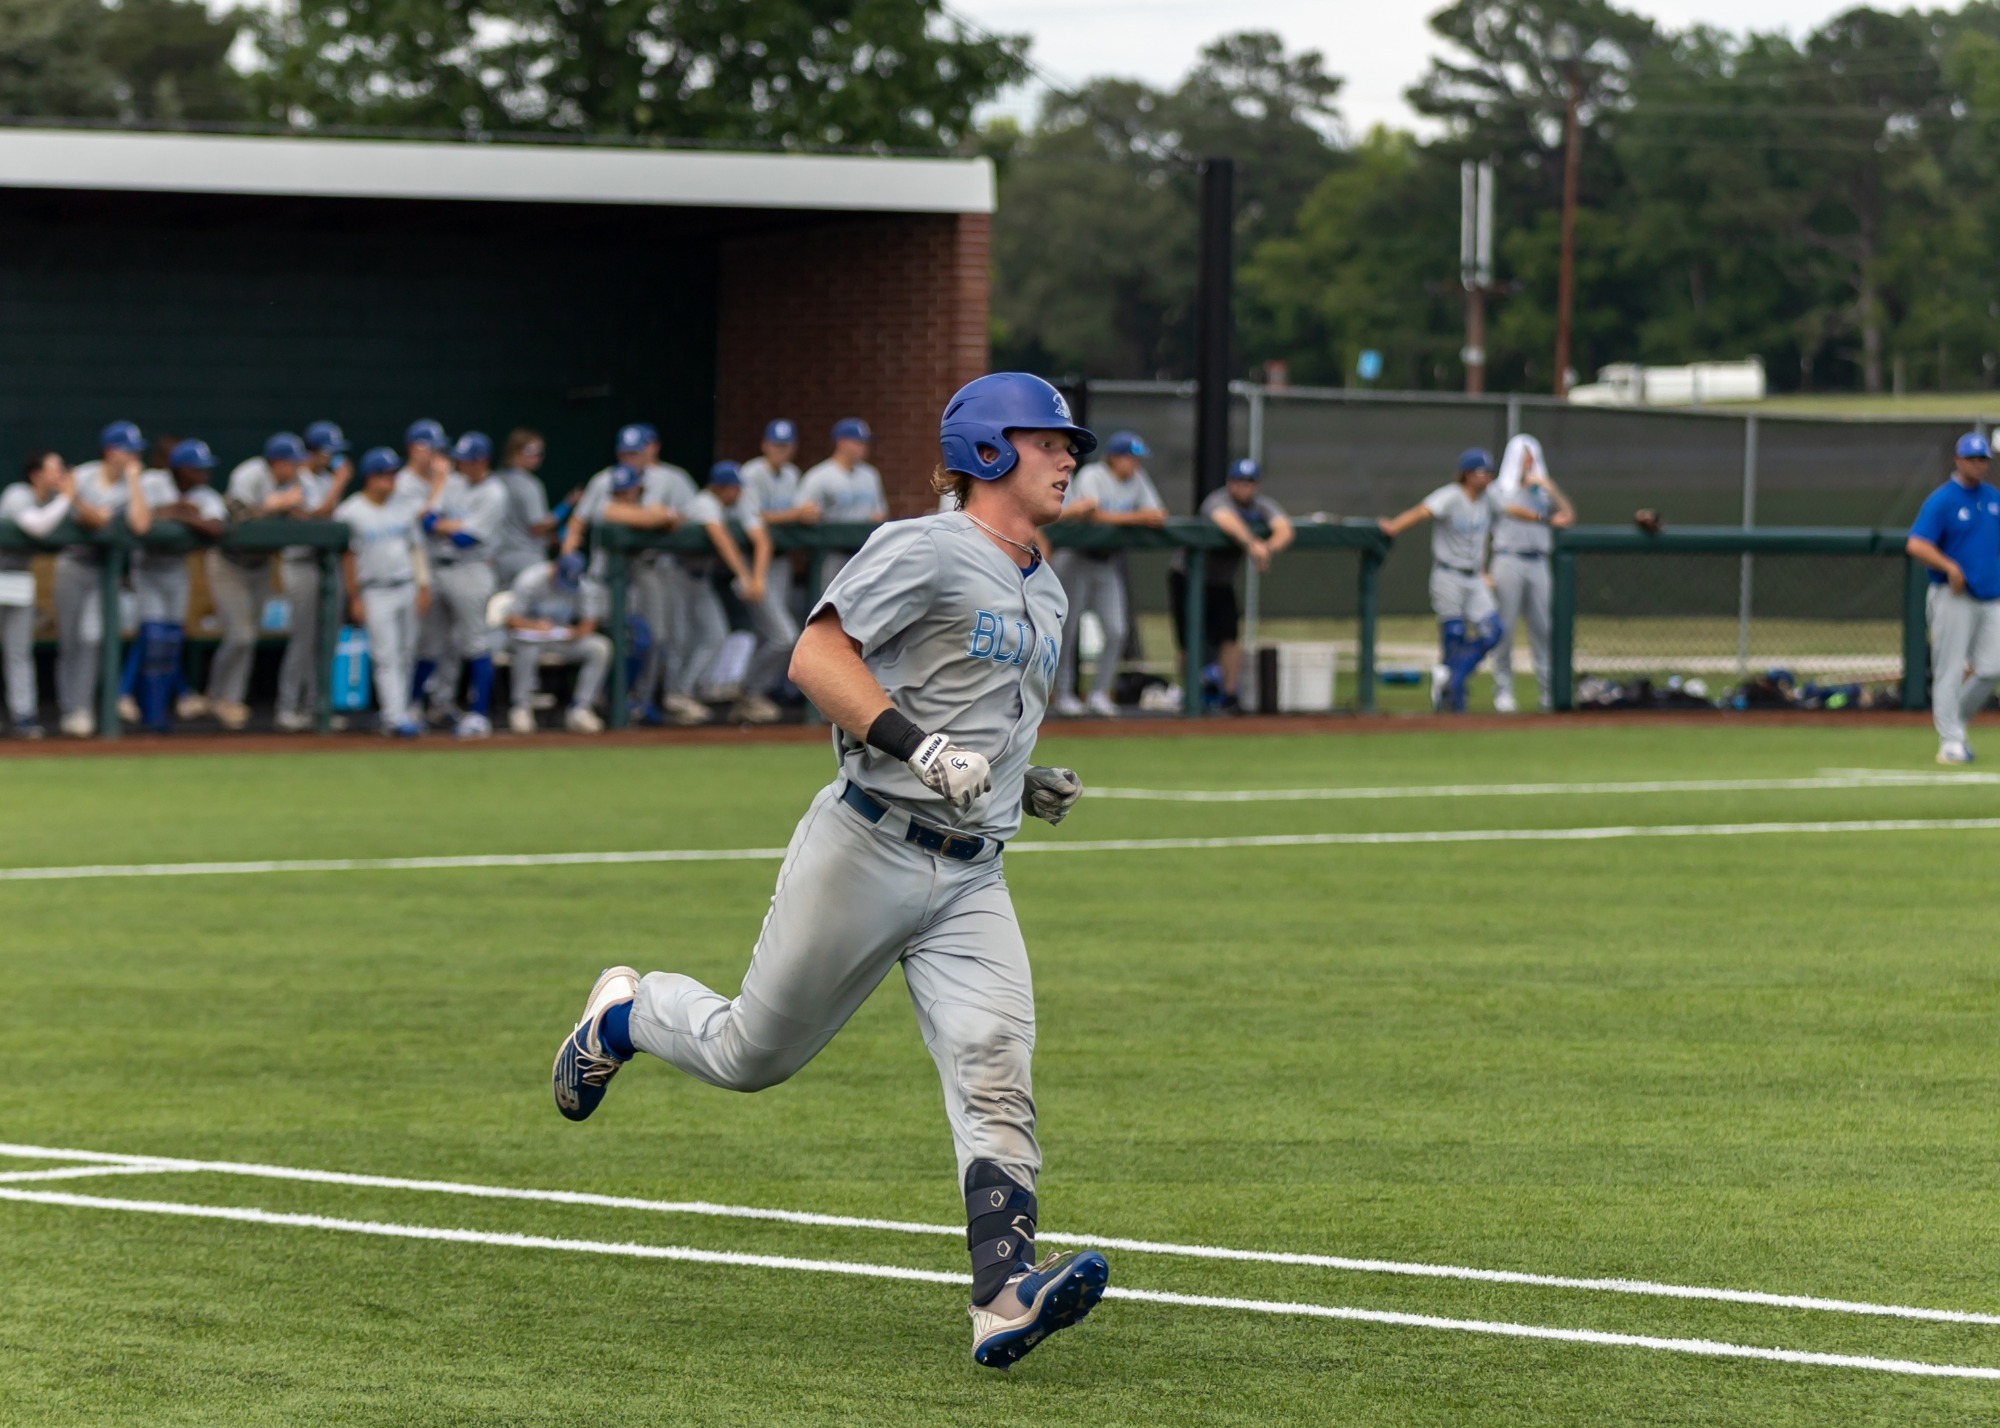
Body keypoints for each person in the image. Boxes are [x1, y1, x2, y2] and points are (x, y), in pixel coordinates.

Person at [549, 372, 1108, 1370]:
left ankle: (1002, 1295)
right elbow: (815, 656)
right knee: (748, 1055)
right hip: (867, 844)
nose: (1071, 454)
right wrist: (921, 747)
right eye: (1049, 439)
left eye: (1072, 443)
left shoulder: (1046, 582)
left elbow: (974, 717)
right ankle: (622, 1016)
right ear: (988, 449)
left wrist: (1020, 788)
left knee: (995, 1070)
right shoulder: (923, 545)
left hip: (973, 873)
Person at [1379, 447, 1516, 714]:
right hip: (1448, 574)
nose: (1487, 477)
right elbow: (1422, 511)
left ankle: (1453, 677)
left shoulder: (1489, 500)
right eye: (1481, 472)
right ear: (1467, 474)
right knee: (1453, 634)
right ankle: (1452, 697)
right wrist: (1394, 526)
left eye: (1490, 472)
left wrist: (1543, 517)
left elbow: (1512, 509)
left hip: (1475, 577)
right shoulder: (1450, 496)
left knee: (1493, 631)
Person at [1051, 430, 1165, 717]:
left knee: (1117, 630)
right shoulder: (1093, 474)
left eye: (1138, 459)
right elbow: (1094, 515)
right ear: (1114, 458)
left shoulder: (1137, 479)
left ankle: (1099, 693)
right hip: (1074, 558)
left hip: (1106, 562)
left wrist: (1135, 517)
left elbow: (1158, 514)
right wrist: (1137, 518)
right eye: (1130, 458)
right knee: (1067, 629)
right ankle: (1063, 694)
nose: (1135, 464)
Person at [1167, 458, 1293, 712]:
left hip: (1220, 581)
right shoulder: (1217, 500)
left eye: (1249, 482)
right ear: (1229, 482)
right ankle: (1190, 694)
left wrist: (1266, 550)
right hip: (1188, 576)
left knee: (1229, 636)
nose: (1243, 487)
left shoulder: (1261, 505)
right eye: (1238, 481)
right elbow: (1227, 522)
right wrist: (1252, 544)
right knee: (1188, 640)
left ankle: (1229, 694)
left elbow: (1285, 528)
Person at [1906, 432, 2000, 764]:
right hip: (1953, 596)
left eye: (1983, 459)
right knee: (1948, 668)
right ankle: (1950, 741)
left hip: (1990, 596)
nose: (1978, 464)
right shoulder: (1943, 500)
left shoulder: (1993, 499)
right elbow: (1916, 543)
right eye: (1972, 458)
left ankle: (1955, 723)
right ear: (1958, 460)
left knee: (1992, 667)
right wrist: (1949, 566)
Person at [56, 421, 153, 736]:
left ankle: (84, 708)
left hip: (104, 570)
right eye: (130, 450)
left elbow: (140, 525)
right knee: (71, 640)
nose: (135, 456)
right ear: (111, 451)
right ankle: (71, 708)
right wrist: (92, 512)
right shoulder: (83, 475)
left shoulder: (132, 482)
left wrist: (136, 482)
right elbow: (86, 519)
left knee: (93, 638)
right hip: (72, 563)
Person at [121, 439, 226, 729]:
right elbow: (141, 519)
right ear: (181, 469)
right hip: (146, 568)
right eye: (197, 469)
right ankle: (148, 712)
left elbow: (217, 527)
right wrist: (181, 512)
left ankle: (158, 714)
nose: (204, 474)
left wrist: (180, 514)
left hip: (176, 570)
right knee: (153, 638)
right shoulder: (153, 481)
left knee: (171, 641)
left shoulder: (204, 494)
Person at [213, 432, 315, 731]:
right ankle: (220, 695)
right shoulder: (249, 474)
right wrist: (275, 505)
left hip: (261, 565)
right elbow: (239, 519)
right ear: (277, 462)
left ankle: (229, 699)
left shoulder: (298, 481)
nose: (297, 468)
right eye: (292, 462)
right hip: (229, 563)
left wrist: (289, 507)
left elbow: (307, 517)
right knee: (240, 635)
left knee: (249, 636)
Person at [413, 430, 509, 739]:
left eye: (466, 461)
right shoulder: (452, 481)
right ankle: (414, 706)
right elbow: (426, 521)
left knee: (475, 643)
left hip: (472, 569)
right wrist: (446, 525)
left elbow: (466, 538)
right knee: (430, 642)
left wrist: (445, 526)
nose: (460, 465)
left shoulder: (495, 492)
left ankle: (479, 715)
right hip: (439, 569)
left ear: (482, 461)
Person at [336, 447, 431, 738]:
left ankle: (402, 711)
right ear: (370, 478)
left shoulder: (402, 506)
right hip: (374, 589)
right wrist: (354, 596)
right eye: (384, 476)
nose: (390, 481)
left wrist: (423, 585)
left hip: (405, 584)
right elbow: (348, 558)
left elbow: (416, 549)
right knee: (386, 655)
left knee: (407, 653)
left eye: (392, 475)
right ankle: (395, 716)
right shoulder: (350, 511)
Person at [1488, 434, 1575, 713]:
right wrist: (1543, 517)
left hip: (1538, 561)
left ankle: (1549, 693)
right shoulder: (1500, 489)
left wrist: (1550, 487)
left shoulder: (1542, 491)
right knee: (1505, 628)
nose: (1528, 462)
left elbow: (1568, 515)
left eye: (1532, 456)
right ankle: (1503, 692)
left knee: (1543, 630)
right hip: (1508, 560)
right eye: (1524, 456)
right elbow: (1508, 509)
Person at [704, 460, 794, 723]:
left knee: (773, 636)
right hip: (675, 573)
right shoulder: (705, 503)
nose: (738, 492)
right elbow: (721, 537)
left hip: (727, 574)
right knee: (783, 636)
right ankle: (741, 689)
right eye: (732, 487)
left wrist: (755, 578)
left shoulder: (739, 503)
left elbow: (761, 539)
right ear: (719, 488)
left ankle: (746, 690)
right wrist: (747, 576)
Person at [0, 451, 74, 737]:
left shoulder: (53, 501)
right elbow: (37, 526)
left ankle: (23, 715)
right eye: (55, 469)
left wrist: (68, 498)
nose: (61, 475)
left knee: (19, 651)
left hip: (16, 577)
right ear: (36, 474)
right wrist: (69, 497)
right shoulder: (18, 493)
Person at [505, 552, 609, 734]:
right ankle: (521, 707)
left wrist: (574, 633)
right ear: (555, 567)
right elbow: (511, 620)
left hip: (562, 639)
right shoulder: (531, 580)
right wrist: (535, 626)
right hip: (529, 638)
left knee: (599, 647)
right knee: (528, 649)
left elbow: (589, 623)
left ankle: (581, 708)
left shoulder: (582, 585)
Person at [796, 416, 887, 581]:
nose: (864, 448)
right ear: (842, 442)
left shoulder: (871, 475)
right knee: (829, 603)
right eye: (858, 442)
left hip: (864, 553)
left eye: (865, 443)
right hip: (831, 553)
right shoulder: (818, 476)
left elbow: (880, 512)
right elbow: (802, 513)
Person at [740, 418, 807, 625]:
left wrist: (798, 514)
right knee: (782, 635)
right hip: (752, 559)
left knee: (772, 629)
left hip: (782, 559)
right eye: (777, 445)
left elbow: (798, 513)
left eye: (786, 445)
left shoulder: (792, 474)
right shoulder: (750, 473)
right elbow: (754, 515)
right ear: (765, 445)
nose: (781, 450)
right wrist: (793, 515)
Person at [492, 429, 557, 592]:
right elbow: (537, 526)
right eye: (533, 452)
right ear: (515, 452)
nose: (538, 457)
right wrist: (562, 512)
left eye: (540, 452)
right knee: (526, 614)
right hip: (528, 560)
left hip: (499, 560)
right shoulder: (530, 485)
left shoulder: (494, 479)